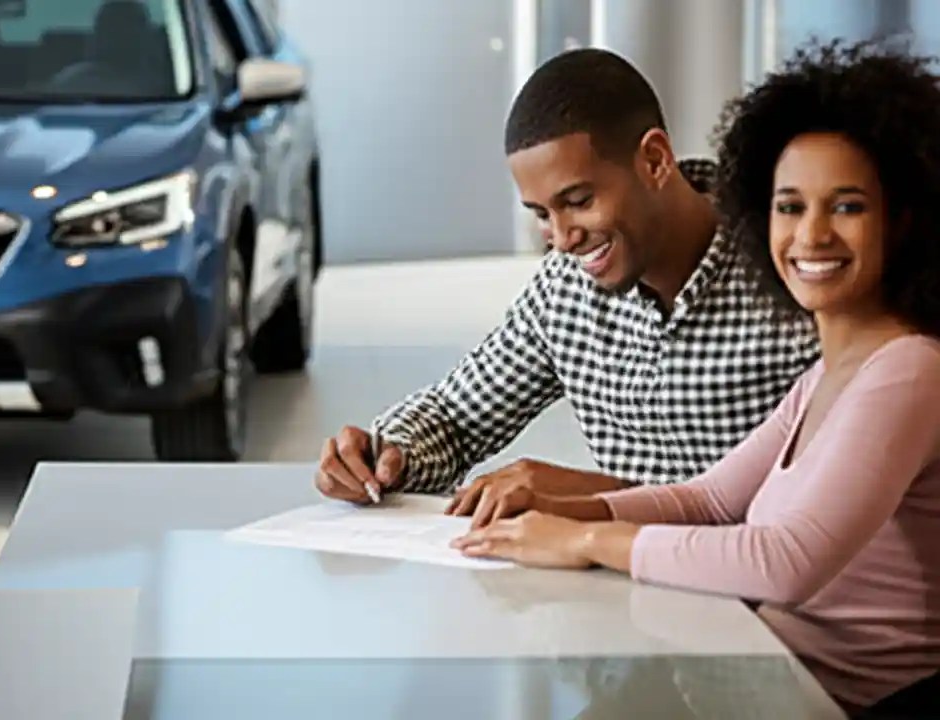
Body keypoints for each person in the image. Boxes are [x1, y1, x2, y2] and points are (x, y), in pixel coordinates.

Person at [452, 39, 940, 716]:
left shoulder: (911, 371)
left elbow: (785, 562)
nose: (811, 235)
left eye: (848, 206)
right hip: (756, 676)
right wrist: (561, 513)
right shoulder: (831, 376)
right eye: (790, 206)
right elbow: (709, 501)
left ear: (905, 218)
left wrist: (587, 540)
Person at [314, 48, 820, 526]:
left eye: (577, 200)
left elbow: (816, 510)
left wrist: (588, 495)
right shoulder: (566, 288)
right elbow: (456, 416)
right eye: (541, 214)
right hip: (623, 604)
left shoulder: (795, 277)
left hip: (757, 609)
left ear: (655, 160)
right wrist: (386, 456)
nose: (562, 239)